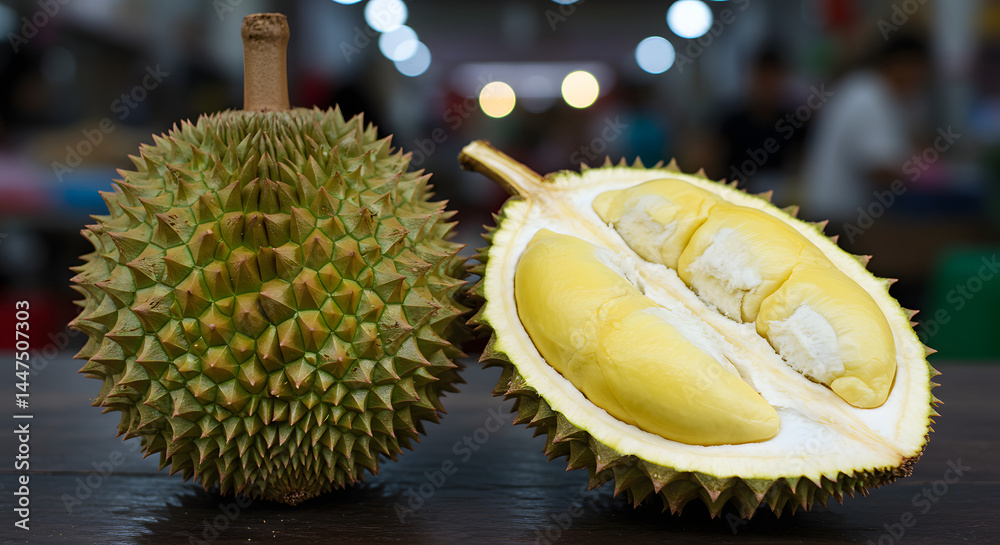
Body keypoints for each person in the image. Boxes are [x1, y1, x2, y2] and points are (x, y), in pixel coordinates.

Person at [800, 35, 930, 228]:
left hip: (837, 213)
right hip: (838, 217)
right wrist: (925, 177)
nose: (920, 81)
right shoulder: (870, 98)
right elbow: (879, 170)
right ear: (903, 65)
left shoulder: (867, 89)